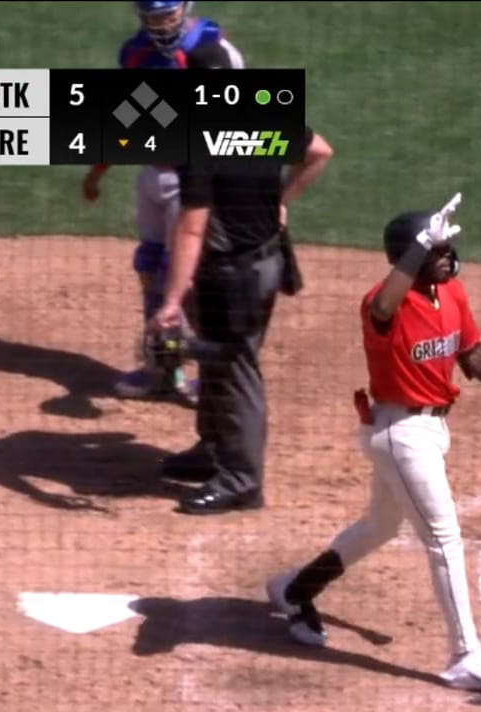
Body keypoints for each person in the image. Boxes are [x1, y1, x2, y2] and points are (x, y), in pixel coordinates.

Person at [265, 194, 481, 694]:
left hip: (432, 429)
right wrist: (419, 247)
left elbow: (474, 354)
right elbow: (382, 304)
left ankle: (294, 589)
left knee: (379, 526)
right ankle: (466, 656)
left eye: (446, 248)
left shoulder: (452, 294)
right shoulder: (385, 304)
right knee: (444, 539)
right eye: (437, 249)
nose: (447, 256)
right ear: (411, 255)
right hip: (400, 434)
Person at [148, 40, 334, 515]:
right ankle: (213, 449)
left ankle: (241, 480)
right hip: (267, 262)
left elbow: (193, 225)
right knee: (217, 357)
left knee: (235, 369)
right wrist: (282, 200)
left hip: (232, 273)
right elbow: (319, 152)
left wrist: (171, 301)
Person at [83, 1, 245, 408]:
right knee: (148, 264)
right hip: (154, 174)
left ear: (185, 9)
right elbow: (126, 117)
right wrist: (97, 171)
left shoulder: (213, 49)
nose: (161, 24)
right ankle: (163, 367)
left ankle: (208, 372)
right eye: (153, 17)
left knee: (183, 274)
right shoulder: (136, 54)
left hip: (195, 180)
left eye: (168, 15)